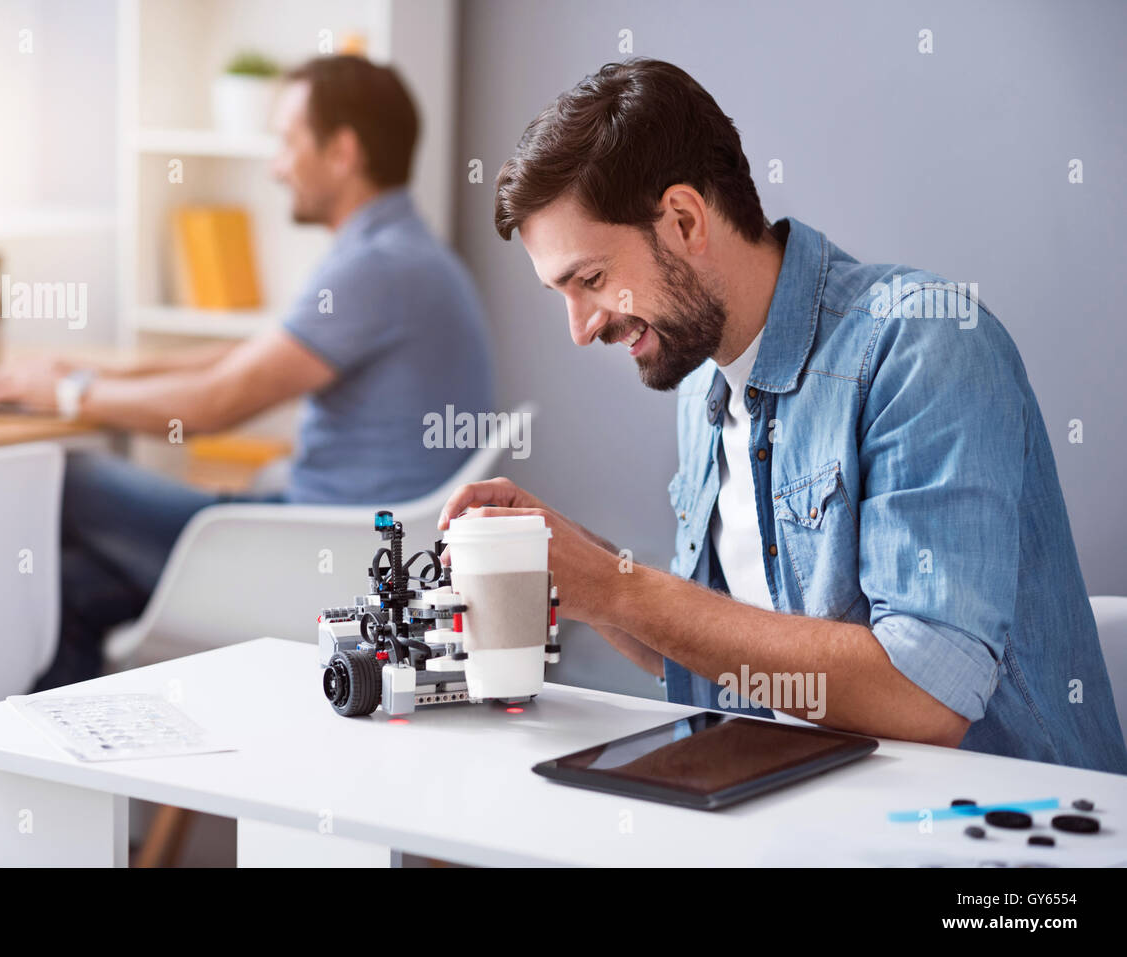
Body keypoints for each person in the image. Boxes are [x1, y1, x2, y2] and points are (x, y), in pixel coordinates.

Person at [438, 58, 1127, 773]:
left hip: (1009, 832)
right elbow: (715, 647)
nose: (579, 328)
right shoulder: (700, 390)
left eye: (592, 279)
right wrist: (574, 564)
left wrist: (615, 585)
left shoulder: (923, 343)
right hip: (807, 804)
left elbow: (927, 696)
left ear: (684, 219)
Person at [0, 56, 493, 689]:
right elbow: (248, 356)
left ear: (342, 151)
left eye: (287, 142)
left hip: (312, 556)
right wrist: (87, 367)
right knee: (72, 586)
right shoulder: (402, 251)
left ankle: (23, 764)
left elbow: (213, 405)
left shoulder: (375, 268)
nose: (276, 166)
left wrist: (65, 393)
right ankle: (60, 771)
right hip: (329, 536)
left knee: (62, 476)